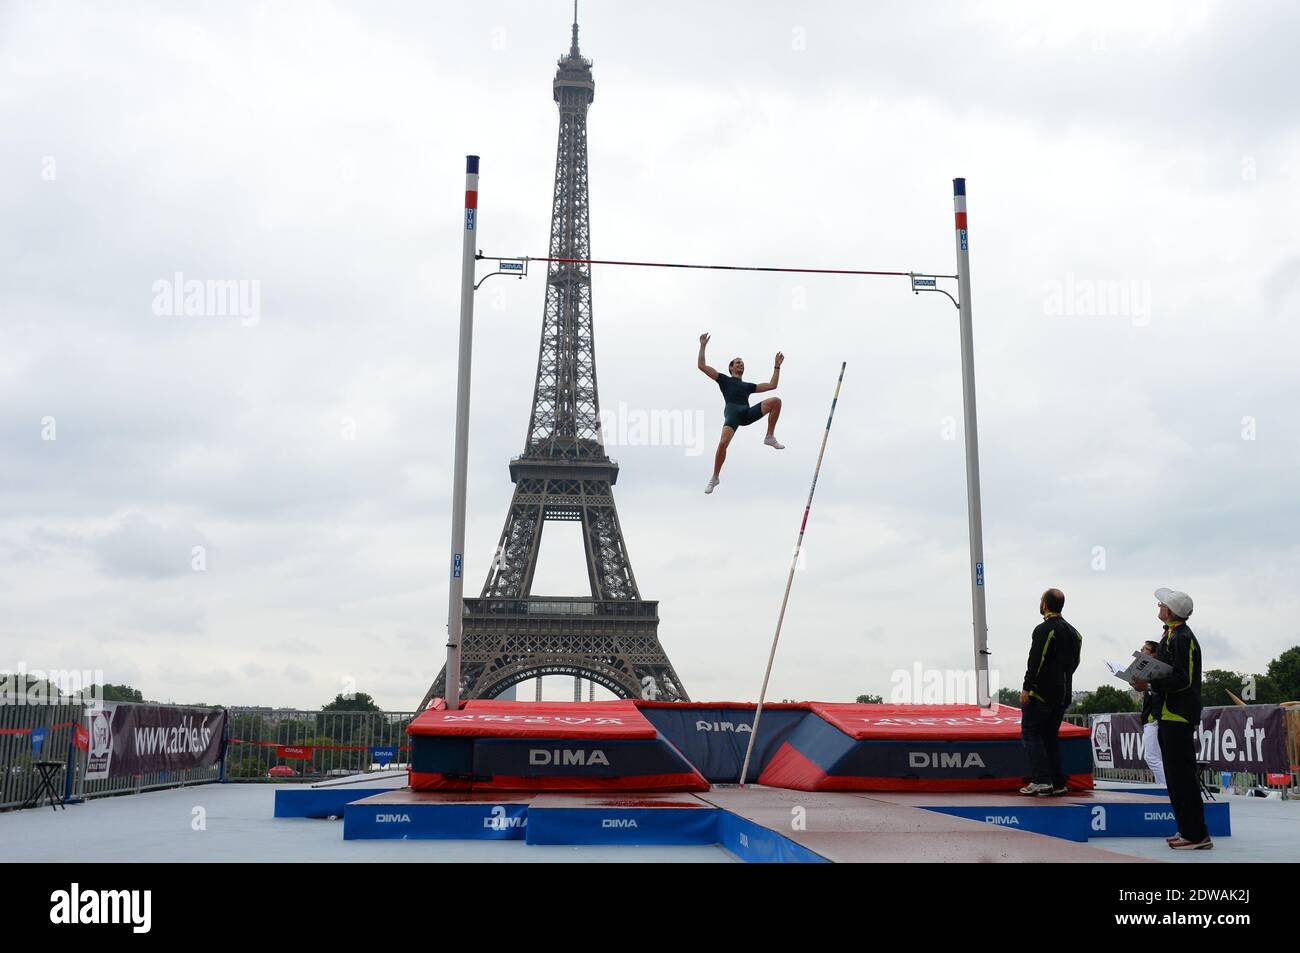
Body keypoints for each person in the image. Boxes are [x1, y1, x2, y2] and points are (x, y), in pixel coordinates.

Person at [1134, 587, 1209, 849]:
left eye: (1161, 604)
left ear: (1171, 610)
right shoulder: (1171, 635)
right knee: (1175, 777)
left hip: (1178, 714)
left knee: (1183, 776)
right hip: (1167, 712)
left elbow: (1182, 679)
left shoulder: (1182, 638)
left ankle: (1196, 834)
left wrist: (1151, 681)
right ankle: (1187, 830)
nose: (1158, 607)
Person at [697, 333, 784, 494]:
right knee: (723, 444)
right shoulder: (723, 379)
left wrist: (777, 366)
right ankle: (715, 477)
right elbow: (702, 366)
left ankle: (769, 436)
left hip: (747, 413)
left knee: (776, 401)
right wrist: (702, 345)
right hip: (732, 413)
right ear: (731, 367)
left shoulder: (748, 386)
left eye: (742, 363)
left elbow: (772, 385)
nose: (741, 365)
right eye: (738, 363)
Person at [1019, 588, 1083, 796]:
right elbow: (1075, 663)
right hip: (1063, 694)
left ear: (1045, 605)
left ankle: (1041, 780)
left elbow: (1035, 661)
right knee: (1050, 737)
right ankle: (1058, 782)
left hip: (1042, 694)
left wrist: (1027, 687)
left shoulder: (1044, 630)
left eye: (1040, 601)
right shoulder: (1075, 633)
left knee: (1031, 733)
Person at [1138, 640, 1166, 786]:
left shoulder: (1158, 671)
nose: (1141, 651)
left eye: (1145, 649)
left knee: (1152, 757)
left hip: (1154, 718)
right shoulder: (1149, 670)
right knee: (1157, 757)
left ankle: (1166, 787)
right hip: (1152, 718)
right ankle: (1164, 786)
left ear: (1154, 654)